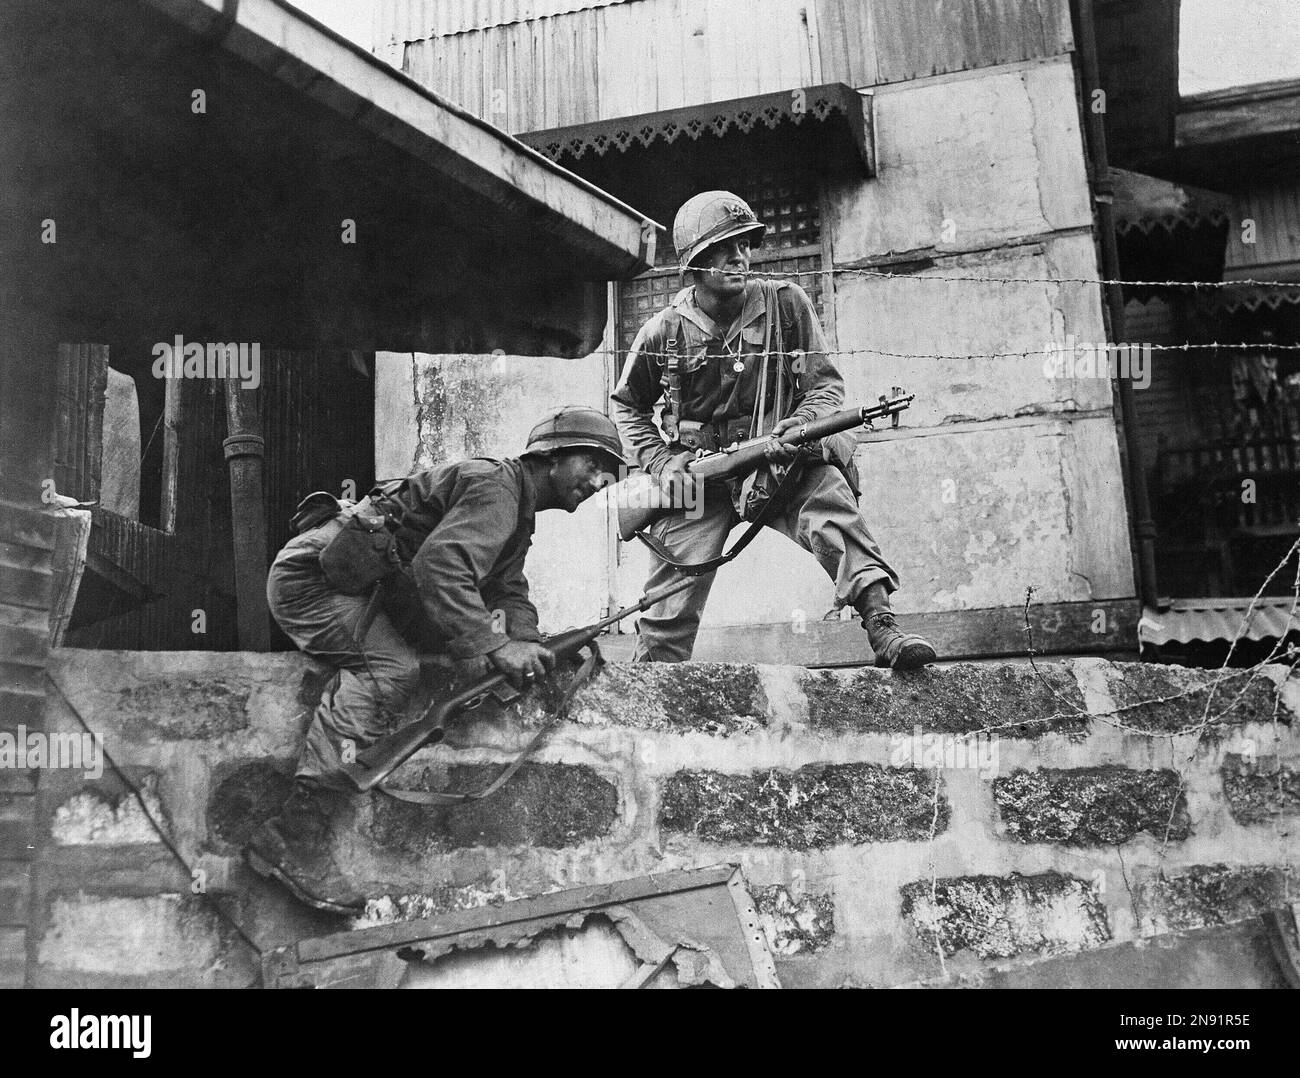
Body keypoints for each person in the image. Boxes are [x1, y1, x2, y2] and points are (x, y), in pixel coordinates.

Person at [245, 406, 626, 913]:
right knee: (391, 670)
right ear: (552, 455)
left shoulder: (516, 508)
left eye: (610, 473)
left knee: (432, 660)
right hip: (311, 581)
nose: (601, 481)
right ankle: (292, 834)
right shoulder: (498, 487)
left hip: (356, 586)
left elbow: (507, 588)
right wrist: (495, 646)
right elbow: (441, 566)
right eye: (593, 462)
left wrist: (530, 643)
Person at [611, 190, 937, 668]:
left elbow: (824, 388)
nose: (740, 257)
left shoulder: (786, 305)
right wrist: (662, 465)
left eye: (744, 245)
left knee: (831, 510)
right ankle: (653, 686)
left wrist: (801, 426)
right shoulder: (662, 332)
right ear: (697, 263)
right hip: (701, 479)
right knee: (669, 601)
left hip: (779, 463)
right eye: (724, 249)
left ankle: (882, 625)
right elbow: (627, 406)